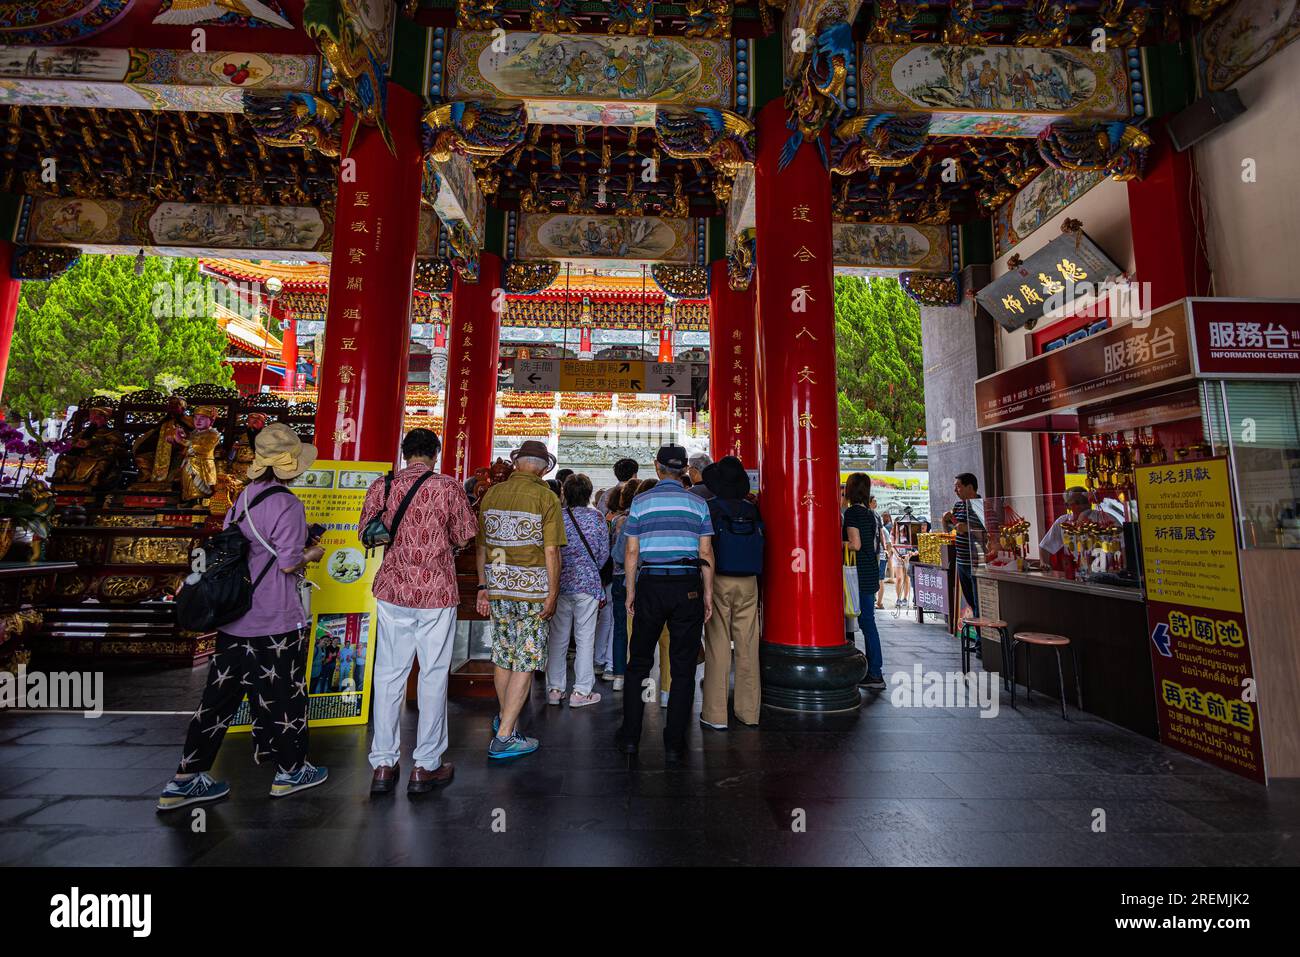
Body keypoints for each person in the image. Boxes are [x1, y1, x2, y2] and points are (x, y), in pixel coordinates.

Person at [158, 423, 328, 810]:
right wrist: (311, 554)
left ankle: (185, 778)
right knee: (284, 694)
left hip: (236, 617)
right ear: (291, 466)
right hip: (275, 616)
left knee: (217, 699)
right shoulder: (287, 504)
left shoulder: (243, 498)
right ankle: (291, 770)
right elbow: (287, 563)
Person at [359, 428, 477, 795]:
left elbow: (365, 531)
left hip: (393, 589)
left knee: (389, 675)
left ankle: (382, 763)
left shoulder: (382, 485)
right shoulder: (447, 486)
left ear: (404, 452)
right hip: (436, 591)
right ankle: (425, 765)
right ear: (436, 454)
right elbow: (465, 533)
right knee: (433, 674)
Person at [616, 445, 714, 765]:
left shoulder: (641, 502)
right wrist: (708, 595)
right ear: (685, 469)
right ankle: (674, 742)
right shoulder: (698, 504)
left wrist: (631, 591)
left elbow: (631, 553)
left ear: (657, 467)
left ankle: (631, 737)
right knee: (683, 666)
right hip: (687, 587)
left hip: (651, 585)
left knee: (639, 662)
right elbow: (706, 555)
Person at [475, 440, 566, 760]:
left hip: (498, 587)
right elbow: (552, 551)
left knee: (503, 656)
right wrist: (552, 594)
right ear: (542, 468)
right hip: (531, 591)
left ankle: (506, 720)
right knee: (525, 661)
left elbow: (482, 548)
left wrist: (483, 586)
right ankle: (503, 737)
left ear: (517, 464)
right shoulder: (546, 496)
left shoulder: (492, 494)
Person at [699, 457, 762, 729]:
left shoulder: (709, 508)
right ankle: (749, 712)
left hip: (719, 579)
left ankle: (715, 715)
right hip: (749, 581)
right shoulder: (752, 509)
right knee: (748, 646)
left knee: (718, 645)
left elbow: (705, 548)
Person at [546, 473, 610, 708]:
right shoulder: (597, 518)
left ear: (565, 493)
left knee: (558, 638)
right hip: (588, 584)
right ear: (589, 493)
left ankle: (555, 689)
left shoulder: (557, 517)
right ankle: (581, 692)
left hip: (559, 583)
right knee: (585, 639)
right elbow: (604, 553)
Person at [843, 473, 886, 690]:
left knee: (866, 623)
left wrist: (838, 544)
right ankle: (875, 670)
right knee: (869, 622)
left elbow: (855, 544)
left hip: (856, 574)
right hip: (870, 572)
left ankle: (875, 673)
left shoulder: (851, 513)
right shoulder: (871, 514)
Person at [1039, 486, 1119, 573]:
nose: (1083, 505)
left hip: (1104, 570)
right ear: (1067, 506)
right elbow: (1045, 546)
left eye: (1085, 501)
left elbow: (1122, 544)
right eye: (1077, 502)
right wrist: (1044, 564)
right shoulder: (1063, 521)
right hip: (1076, 571)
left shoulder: (1104, 518)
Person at [606, 480, 636, 691]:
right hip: (642, 578)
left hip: (619, 577)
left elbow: (616, 554)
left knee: (619, 627)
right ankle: (638, 673)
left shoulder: (621, 521)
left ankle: (618, 675)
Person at [943, 472, 986, 618]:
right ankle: (979, 637)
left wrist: (968, 528)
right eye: (955, 487)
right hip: (961, 562)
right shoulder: (958, 506)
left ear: (970, 487)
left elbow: (990, 532)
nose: (955, 490)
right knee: (972, 603)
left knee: (980, 602)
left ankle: (982, 640)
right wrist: (946, 521)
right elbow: (951, 533)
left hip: (977, 563)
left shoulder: (982, 506)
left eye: (958, 487)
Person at [877, 509, 894, 609]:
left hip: (881, 557)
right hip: (880, 557)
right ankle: (878, 601)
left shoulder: (883, 530)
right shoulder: (883, 529)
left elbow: (888, 544)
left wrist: (887, 554)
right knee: (879, 579)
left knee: (880, 580)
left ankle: (880, 602)